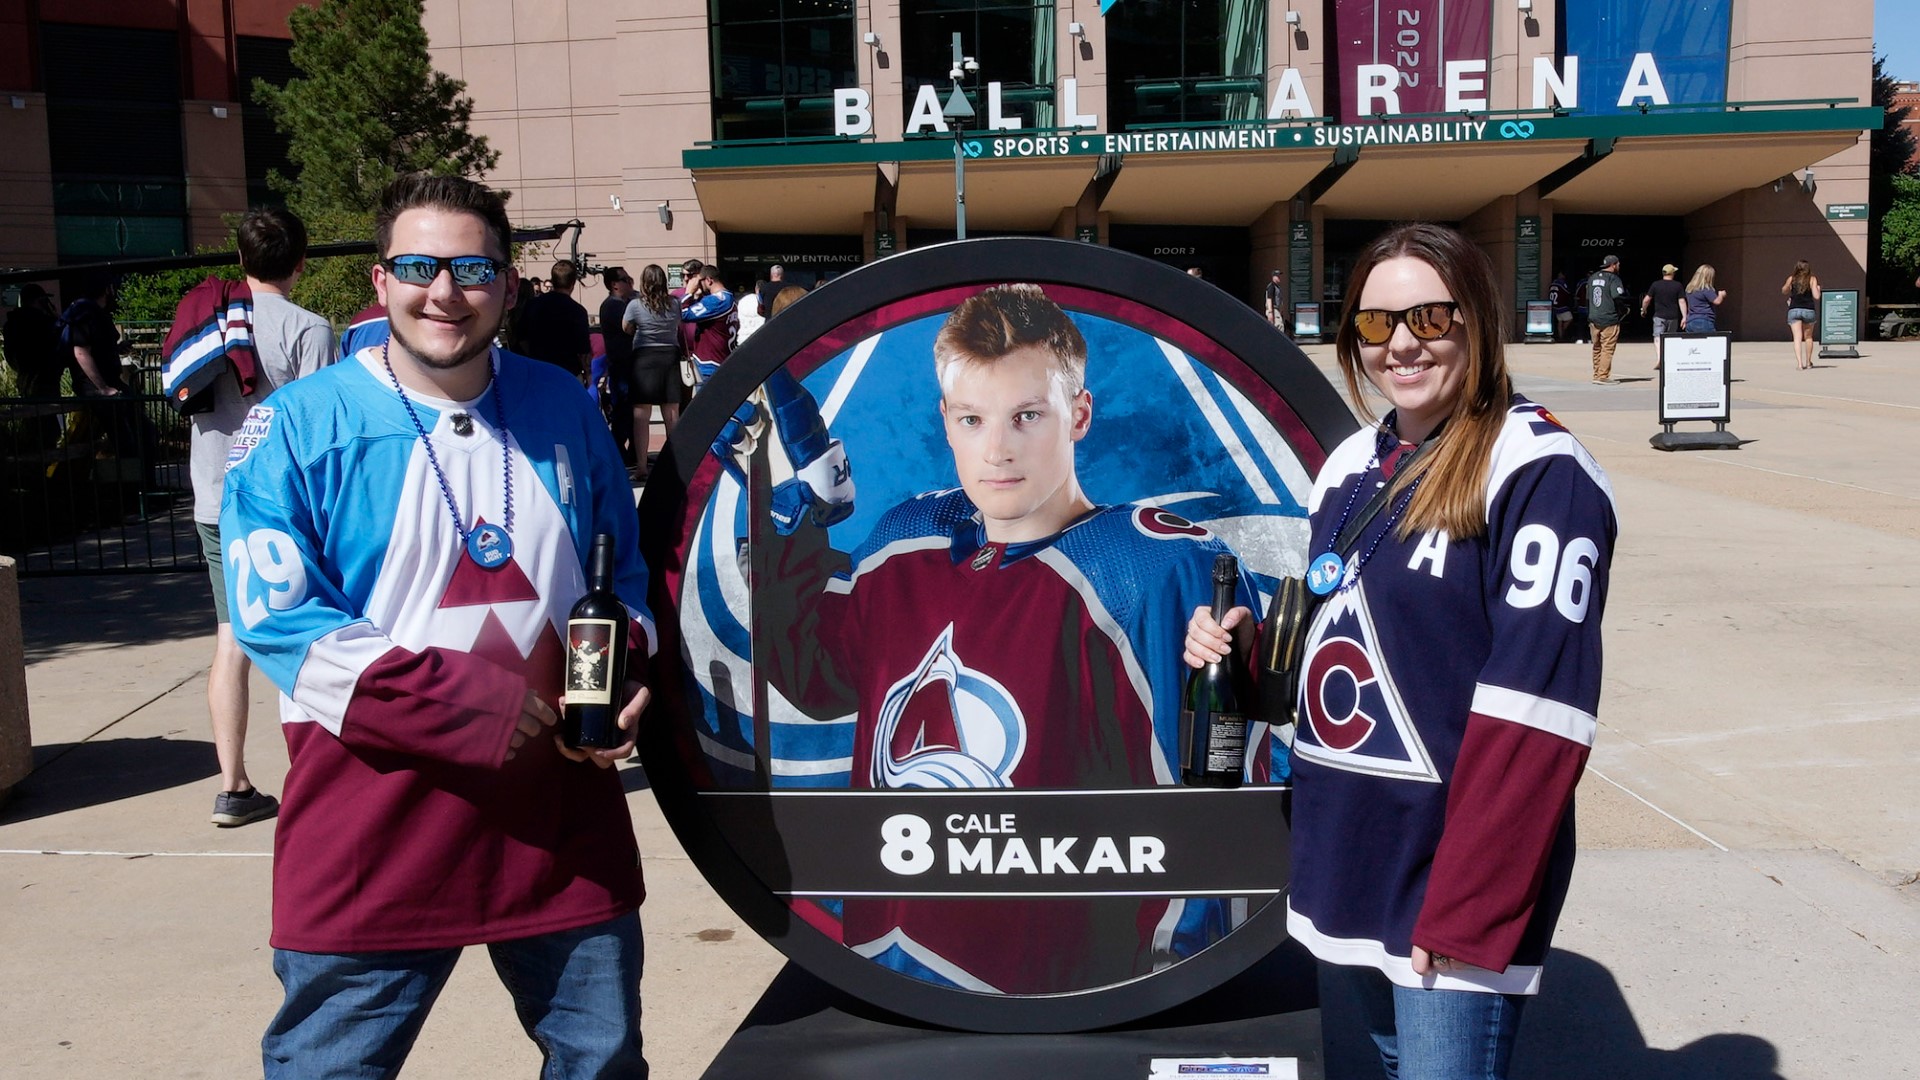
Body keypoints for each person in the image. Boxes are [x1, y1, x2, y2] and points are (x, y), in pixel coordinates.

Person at [223, 173, 654, 1078]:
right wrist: (462, 706)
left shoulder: (565, 409)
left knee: (603, 1064)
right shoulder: (297, 426)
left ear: (508, 281)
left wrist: (625, 676)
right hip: (374, 831)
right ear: (380, 282)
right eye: (419, 266)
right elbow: (278, 622)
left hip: (561, 829)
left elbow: (628, 575)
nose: (445, 292)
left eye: (472, 268)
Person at [746, 284, 1273, 995]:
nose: (996, 449)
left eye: (1027, 416)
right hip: (884, 967)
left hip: (1066, 993)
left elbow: (1211, 810)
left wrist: (1173, 985)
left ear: (1078, 414)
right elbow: (818, 676)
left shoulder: (1152, 566)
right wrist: (789, 524)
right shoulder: (908, 537)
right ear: (946, 419)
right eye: (972, 419)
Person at [1185, 222, 1616, 1080]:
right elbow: (1338, 641)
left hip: (1446, 882)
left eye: (1429, 316)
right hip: (1346, 856)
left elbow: (1539, 711)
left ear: (1479, 321)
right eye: (1376, 324)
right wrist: (1243, 650)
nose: (1403, 344)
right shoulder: (1351, 460)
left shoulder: (1539, 469)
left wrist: (1468, 909)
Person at [187, 208, 335, 827]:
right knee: (310, 634)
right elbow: (324, 428)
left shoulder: (208, 325)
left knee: (232, 640)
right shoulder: (309, 329)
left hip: (216, 501)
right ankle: (321, 780)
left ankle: (234, 784)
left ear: (241, 261)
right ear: (301, 262)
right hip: (285, 506)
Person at [623, 263, 682, 477]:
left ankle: (641, 467)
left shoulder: (634, 305)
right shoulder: (675, 304)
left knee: (641, 415)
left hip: (644, 357)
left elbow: (626, 328)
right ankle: (674, 464)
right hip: (669, 356)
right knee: (672, 413)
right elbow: (679, 326)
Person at [516, 259, 592, 381]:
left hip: (539, 370)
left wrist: (533, 356)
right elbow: (584, 351)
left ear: (553, 280)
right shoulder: (577, 311)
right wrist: (588, 374)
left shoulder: (533, 305)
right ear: (573, 282)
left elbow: (521, 337)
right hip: (568, 373)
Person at [599, 267, 636, 465]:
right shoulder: (614, 306)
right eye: (625, 279)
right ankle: (618, 451)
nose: (630, 282)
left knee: (628, 411)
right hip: (621, 365)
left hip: (626, 365)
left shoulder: (624, 303)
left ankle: (631, 452)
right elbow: (633, 326)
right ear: (615, 285)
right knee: (623, 411)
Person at [679, 265, 737, 383]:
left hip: (710, 363)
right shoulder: (727, 298)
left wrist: (689, 292)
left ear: (709, 280)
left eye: (699, 281)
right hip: (721, 359)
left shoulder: (717, 301)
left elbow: (682, 314)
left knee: (706, 400)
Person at [1582, 254, 1628, 384]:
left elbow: (1587, 298)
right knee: (1607, 348)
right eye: (1618, 264)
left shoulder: (1592, 278)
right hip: (1609, 318)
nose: (1619, 266)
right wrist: (1623, 310)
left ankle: (1597, 374)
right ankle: (1603, 376)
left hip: (1594, 317)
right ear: (1613, 265)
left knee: (1596, 347)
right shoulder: (1614, 279)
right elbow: (1618, 297)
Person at [1641, 263, 1685, 369]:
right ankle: (1669, 359)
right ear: (1672, 273)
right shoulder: (1678, 285)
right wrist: (1684, 316)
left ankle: (1660, 358)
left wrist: (1643, 309)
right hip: (1673, 316)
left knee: (1657, 337)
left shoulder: (1656, 285)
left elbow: (1647, 299)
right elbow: (1682, 301)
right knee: (1670, 338)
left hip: (1659, 315)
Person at [1782, 260, 1821, 369]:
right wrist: (1818, 289)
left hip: (1794, 309)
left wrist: (1788, 287)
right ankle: (1808, 362)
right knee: (1808, 337)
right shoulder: (1812, 279)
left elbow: (1784, 290)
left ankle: (1799, 364)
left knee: (1797, 338)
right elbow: (1816, 296)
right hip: (1808, 310)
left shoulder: (1792, 279)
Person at [1682, 264, 1727, 333]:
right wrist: (1721, 295)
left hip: (1690, 321)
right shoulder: (1706, 289)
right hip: (1704, 320)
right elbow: (1717, 301)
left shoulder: (1690, 289)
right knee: (1711, 342)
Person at [1547, 271, 1573, 342]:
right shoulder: (1562, 283)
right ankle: (1563, 333)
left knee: (1560, 322)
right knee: (1570, 319)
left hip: (1554, 306)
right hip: (1562, 306)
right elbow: (1567, 292)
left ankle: (1560, 336)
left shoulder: (1552, 284)